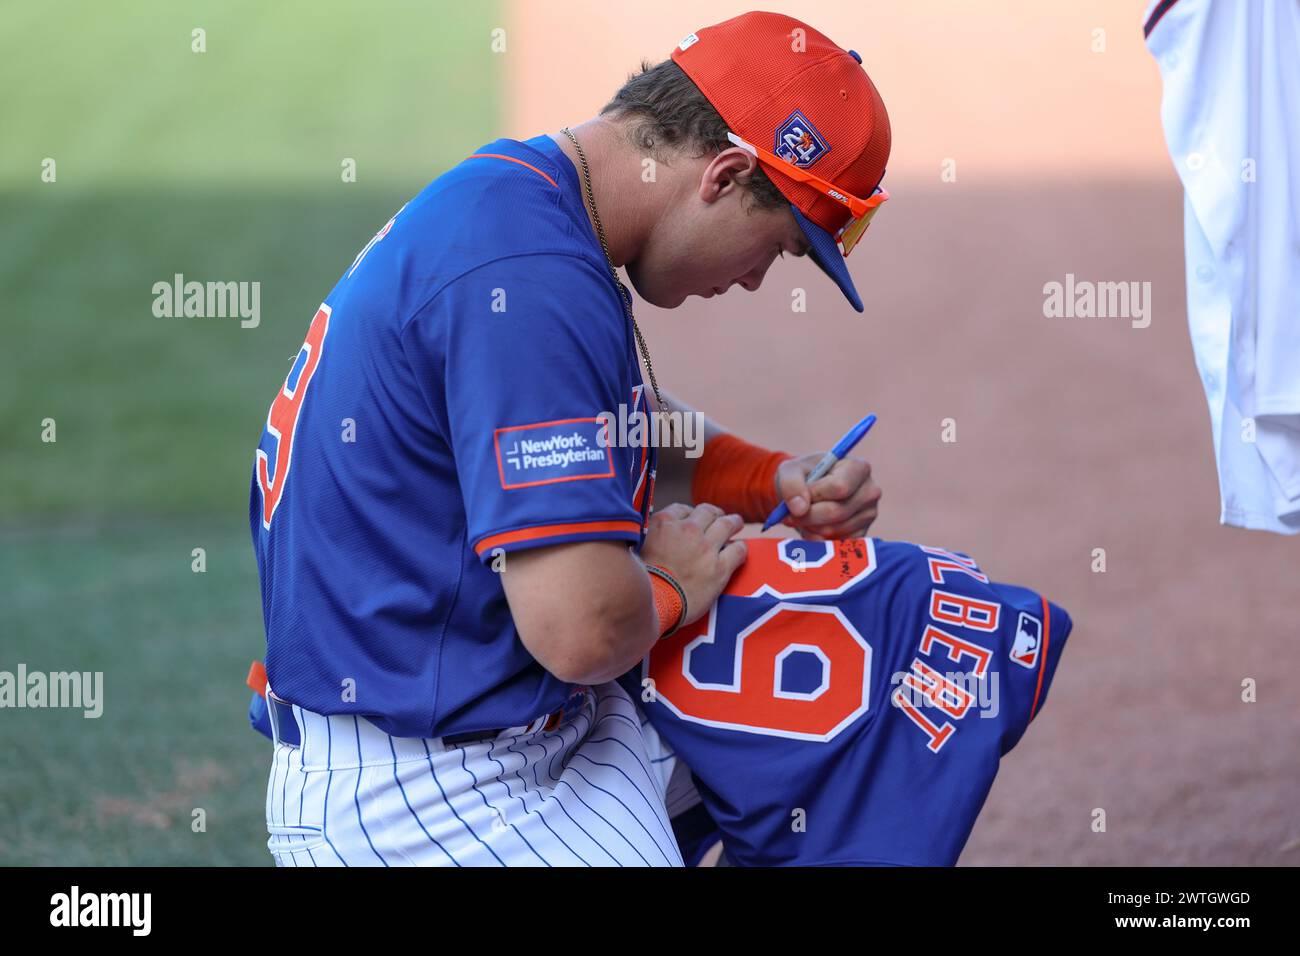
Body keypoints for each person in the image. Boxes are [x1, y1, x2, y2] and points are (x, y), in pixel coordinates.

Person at [248, 11, 888, 866]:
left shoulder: (524, 199)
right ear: (726, 174)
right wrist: (671, 583)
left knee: (873, 668)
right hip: (434, 796)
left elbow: (609, 423)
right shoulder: (530, 280)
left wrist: (771, 480)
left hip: (508, 729)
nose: (753, 279)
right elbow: (584, 631)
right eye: (776, 247)